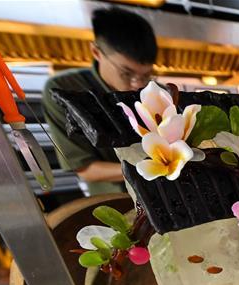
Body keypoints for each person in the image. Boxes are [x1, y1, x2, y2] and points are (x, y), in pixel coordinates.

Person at [43, 7, 156, 195]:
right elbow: (86, 170)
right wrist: (153, 166)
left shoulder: (151, 90)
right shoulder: (66, 91)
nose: (136, 85)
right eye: (126, 73)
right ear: (96, 52)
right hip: (116, 200)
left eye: (146, 75)